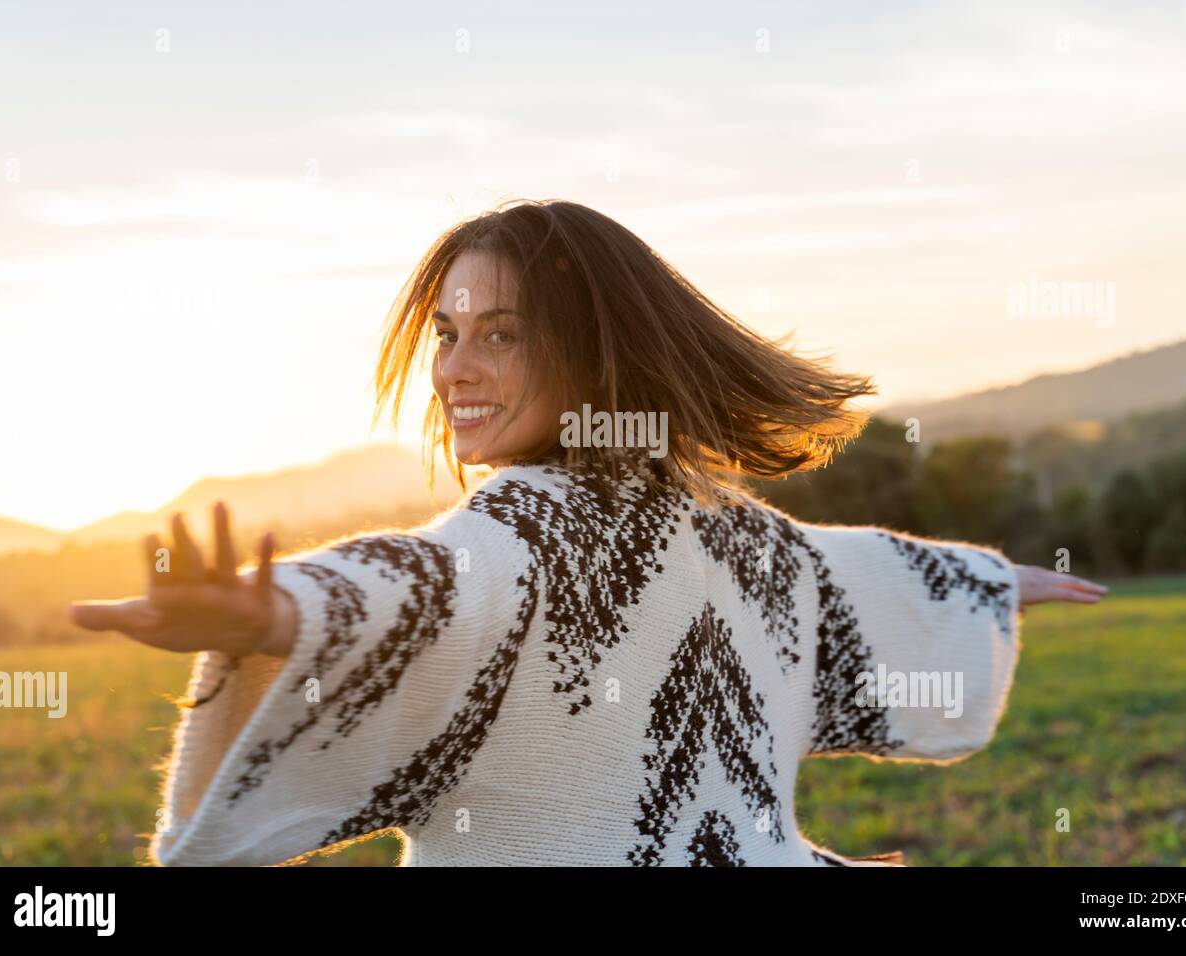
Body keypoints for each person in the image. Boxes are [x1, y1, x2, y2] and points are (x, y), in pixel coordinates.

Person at [68, 199, 1107, 867]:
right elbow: (411, 585)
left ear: (596, 352)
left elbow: (845, 574)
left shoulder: (680, 536)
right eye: (447, 335)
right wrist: (283, 611)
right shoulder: (712, 532)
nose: (454, 369)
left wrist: (282, 615)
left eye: (500, 334)